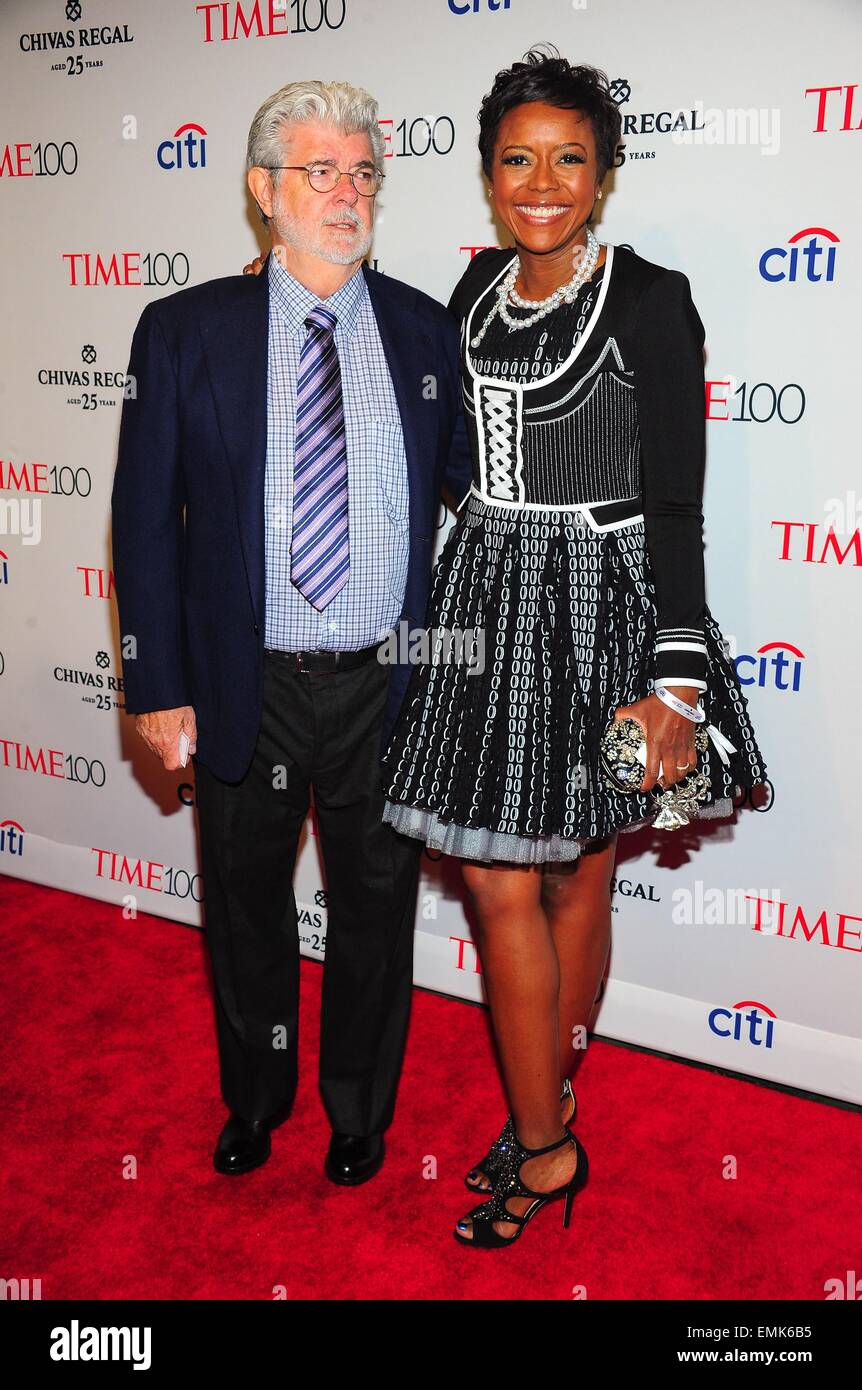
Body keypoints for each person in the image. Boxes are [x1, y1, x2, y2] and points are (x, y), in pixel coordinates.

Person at [378, 49, 768, 1248]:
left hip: (604, 602)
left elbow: (678, 502)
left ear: (600, 177)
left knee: (578, 870)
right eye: (517, 159)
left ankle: (552, 1090)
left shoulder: (652, 296)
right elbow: (450, 457)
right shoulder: (473, 291)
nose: (539, 183)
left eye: (567, 161)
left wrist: (675, 683)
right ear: (489, 173)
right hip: (484, 593)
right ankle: (547, 1144)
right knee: (499, 876)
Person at [111, 80, 471, 1184]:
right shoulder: (182, 330)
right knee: (247, 911)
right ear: (264, 190)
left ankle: (359, 1111)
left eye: (364, 171)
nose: (347, 193)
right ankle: (256, 1100)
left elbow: (473, 499)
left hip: (385, 682)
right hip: (239, 683)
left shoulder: (424, 327)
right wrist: (155, 688)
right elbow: (142, 521)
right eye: (321, 171)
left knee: (374, 911)